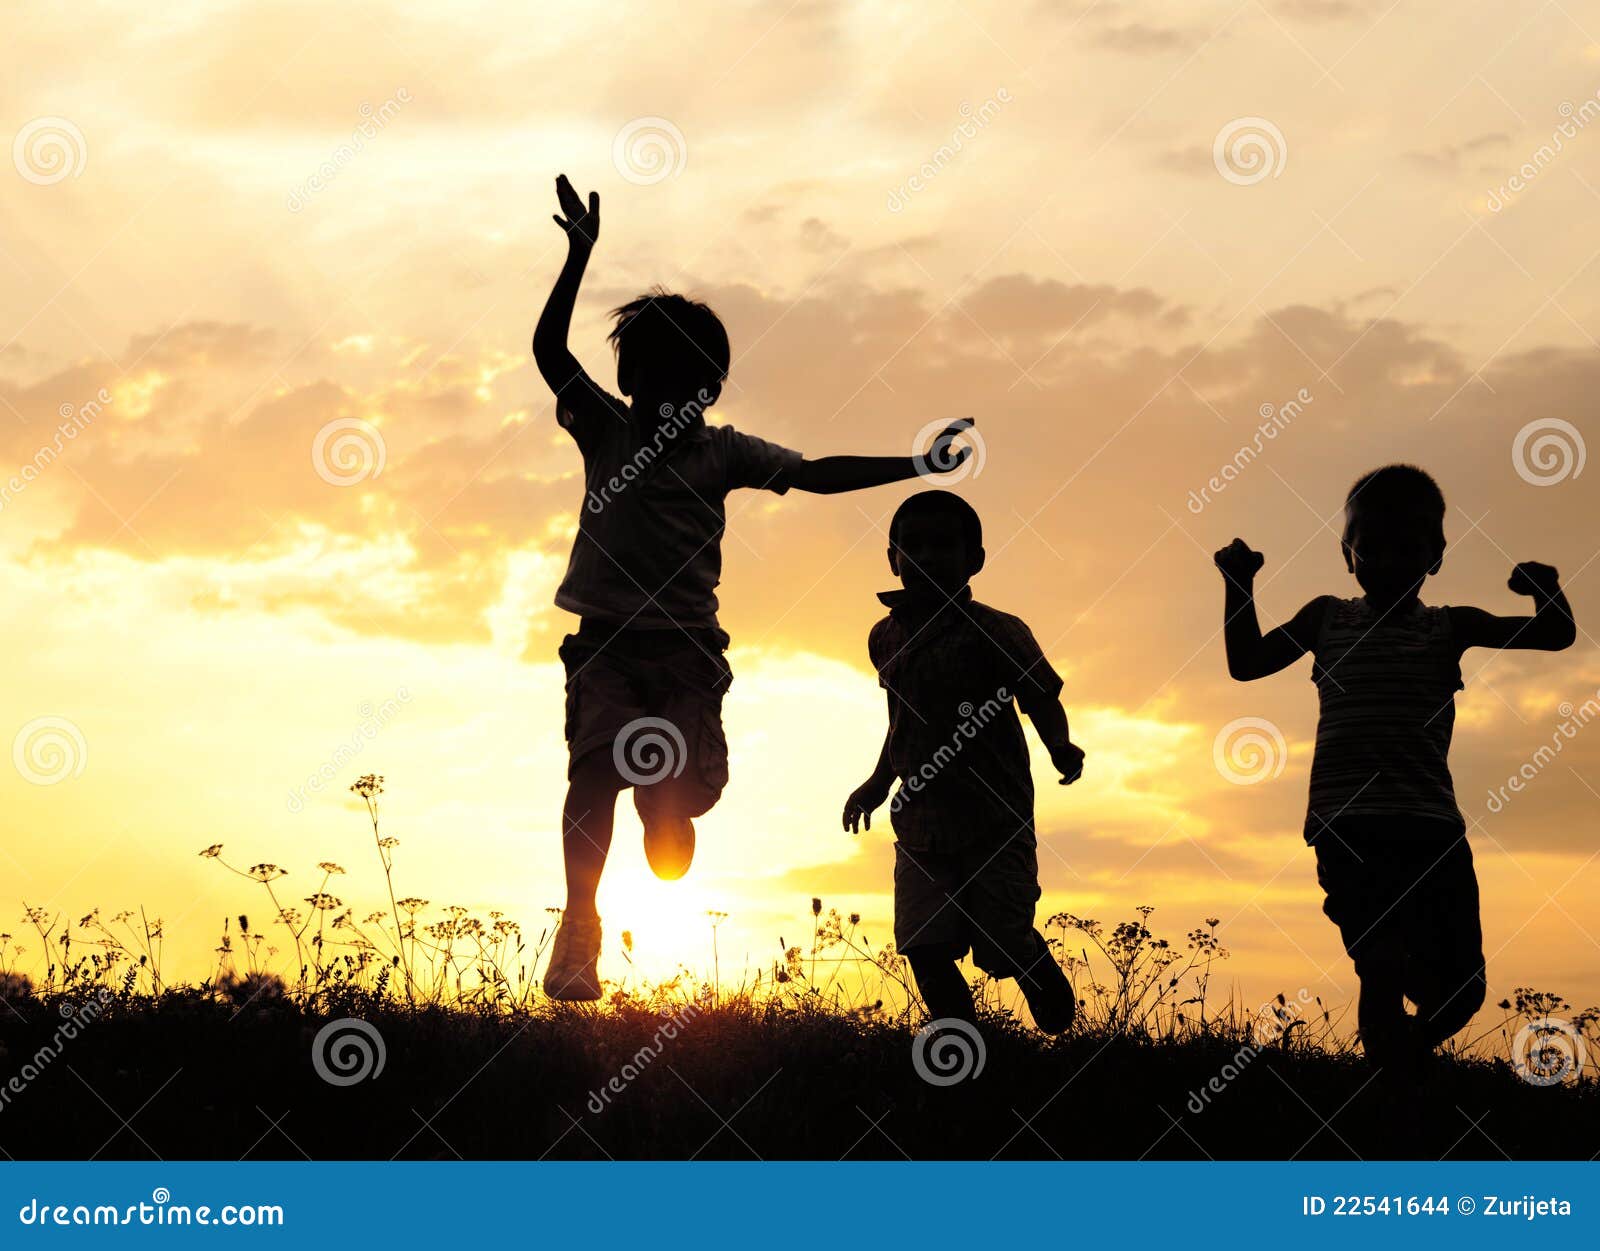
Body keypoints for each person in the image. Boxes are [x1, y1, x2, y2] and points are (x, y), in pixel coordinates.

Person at [533, 174, 976, 1000]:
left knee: (674, 831)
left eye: (686, 387)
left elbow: (815, 474)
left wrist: (916, 462)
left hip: (689, 659)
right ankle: (579, 922)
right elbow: (552, 355)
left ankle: (664, 808)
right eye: (652, 383)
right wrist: (578, 259)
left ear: (708, 392)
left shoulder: (725, 454)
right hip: (606, 646)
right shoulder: (603, 426)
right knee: (591, 771)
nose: (667, 400)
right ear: (630, 384)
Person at [1213, 463, 1575, 1088]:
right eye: (1369, 546)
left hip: (1431, 829)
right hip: (1347, 825)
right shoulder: (1325, 618)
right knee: (1379, 963)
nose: (1385, 560)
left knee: (1463, 990)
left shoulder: (1449, 626)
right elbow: (1245, 663)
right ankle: (1388, 1080)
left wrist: (1546, 589)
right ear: (1346, 553)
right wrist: (1237, 584)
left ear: (1434, 557)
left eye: (1405, 548)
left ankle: (1403, 1054)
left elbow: (1556, 634)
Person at [842, 490, 1083, 1033]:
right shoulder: (884, 637)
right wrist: (877, 783)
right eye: (914, 546)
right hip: (922, 821)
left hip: (995, 818)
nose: (927, 557)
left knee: (1003, 936)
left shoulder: (999, 630)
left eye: (944, 546)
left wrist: (1059, 746)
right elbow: (900, 721)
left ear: (974, 559)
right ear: (893, 559)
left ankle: (1033, 967)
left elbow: (1040, 695)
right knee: (925, 944)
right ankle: (962, 1047)